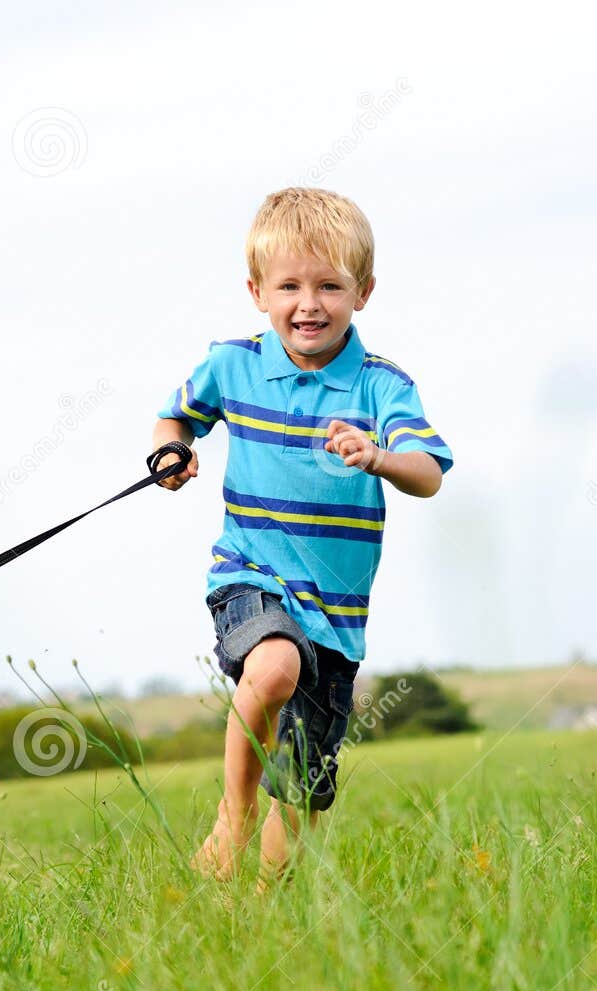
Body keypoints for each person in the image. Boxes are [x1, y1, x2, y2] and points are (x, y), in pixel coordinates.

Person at [148, 187, 453, 882]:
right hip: (250, 573)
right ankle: (233, 814)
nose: (308, 304)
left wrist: (378, 457)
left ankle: (262, 910)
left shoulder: (381, 386)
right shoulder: (232, 364)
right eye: (289, 286)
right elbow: (176, 418)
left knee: (301, 796)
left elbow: (429, 472)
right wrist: (172, 452)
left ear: (363, 292)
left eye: (329, 286)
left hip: (337, 612)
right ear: (257, 292)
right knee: (274, 666)